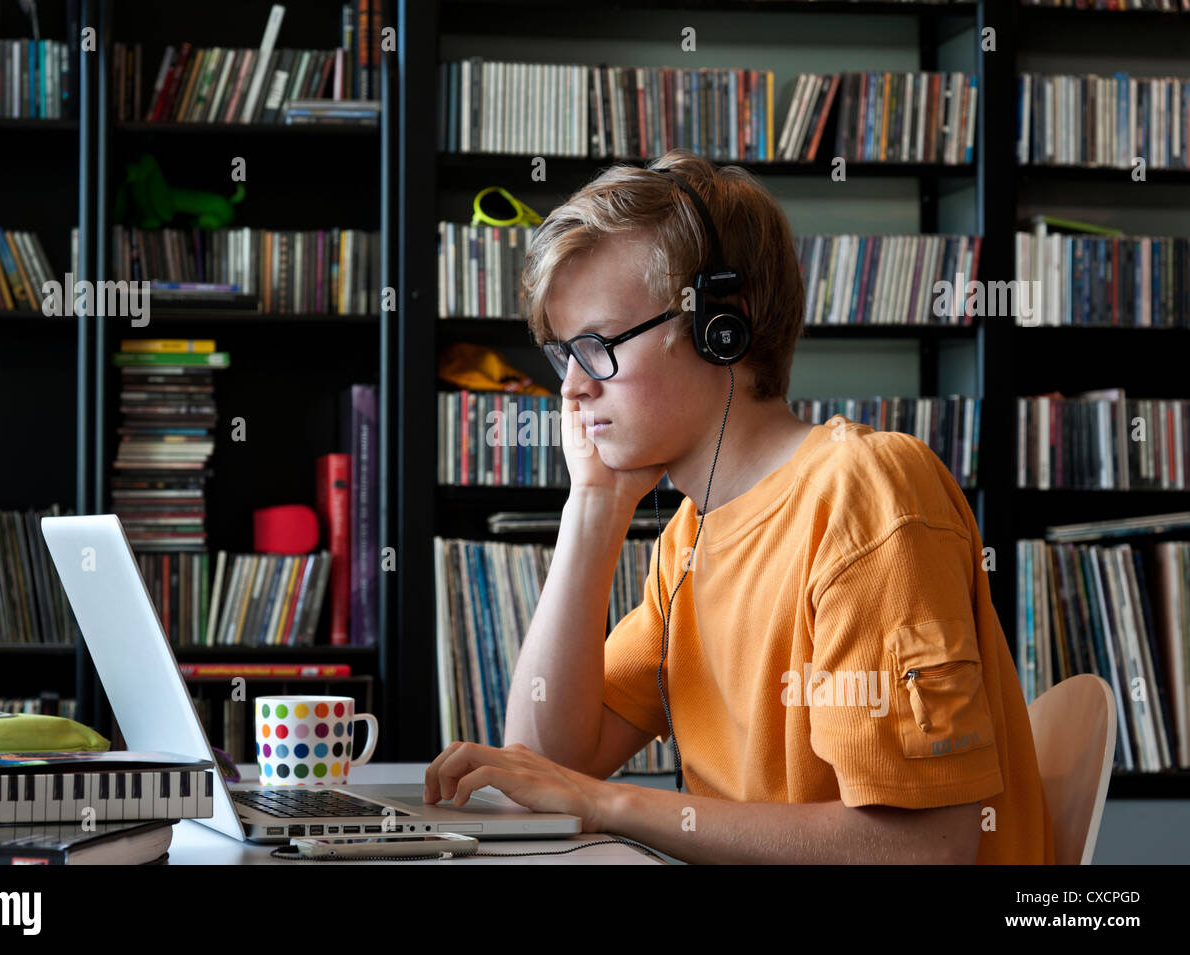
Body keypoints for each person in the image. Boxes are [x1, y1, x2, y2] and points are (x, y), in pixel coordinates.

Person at [422, 148, 1055, 864]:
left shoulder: (866, 496)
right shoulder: (690, 537)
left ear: (722, 326)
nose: (571, 389)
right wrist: (593, 503)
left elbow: (923, 846)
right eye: (563, 354)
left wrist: (610, 802)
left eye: (597, 346)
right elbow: (540, 762)